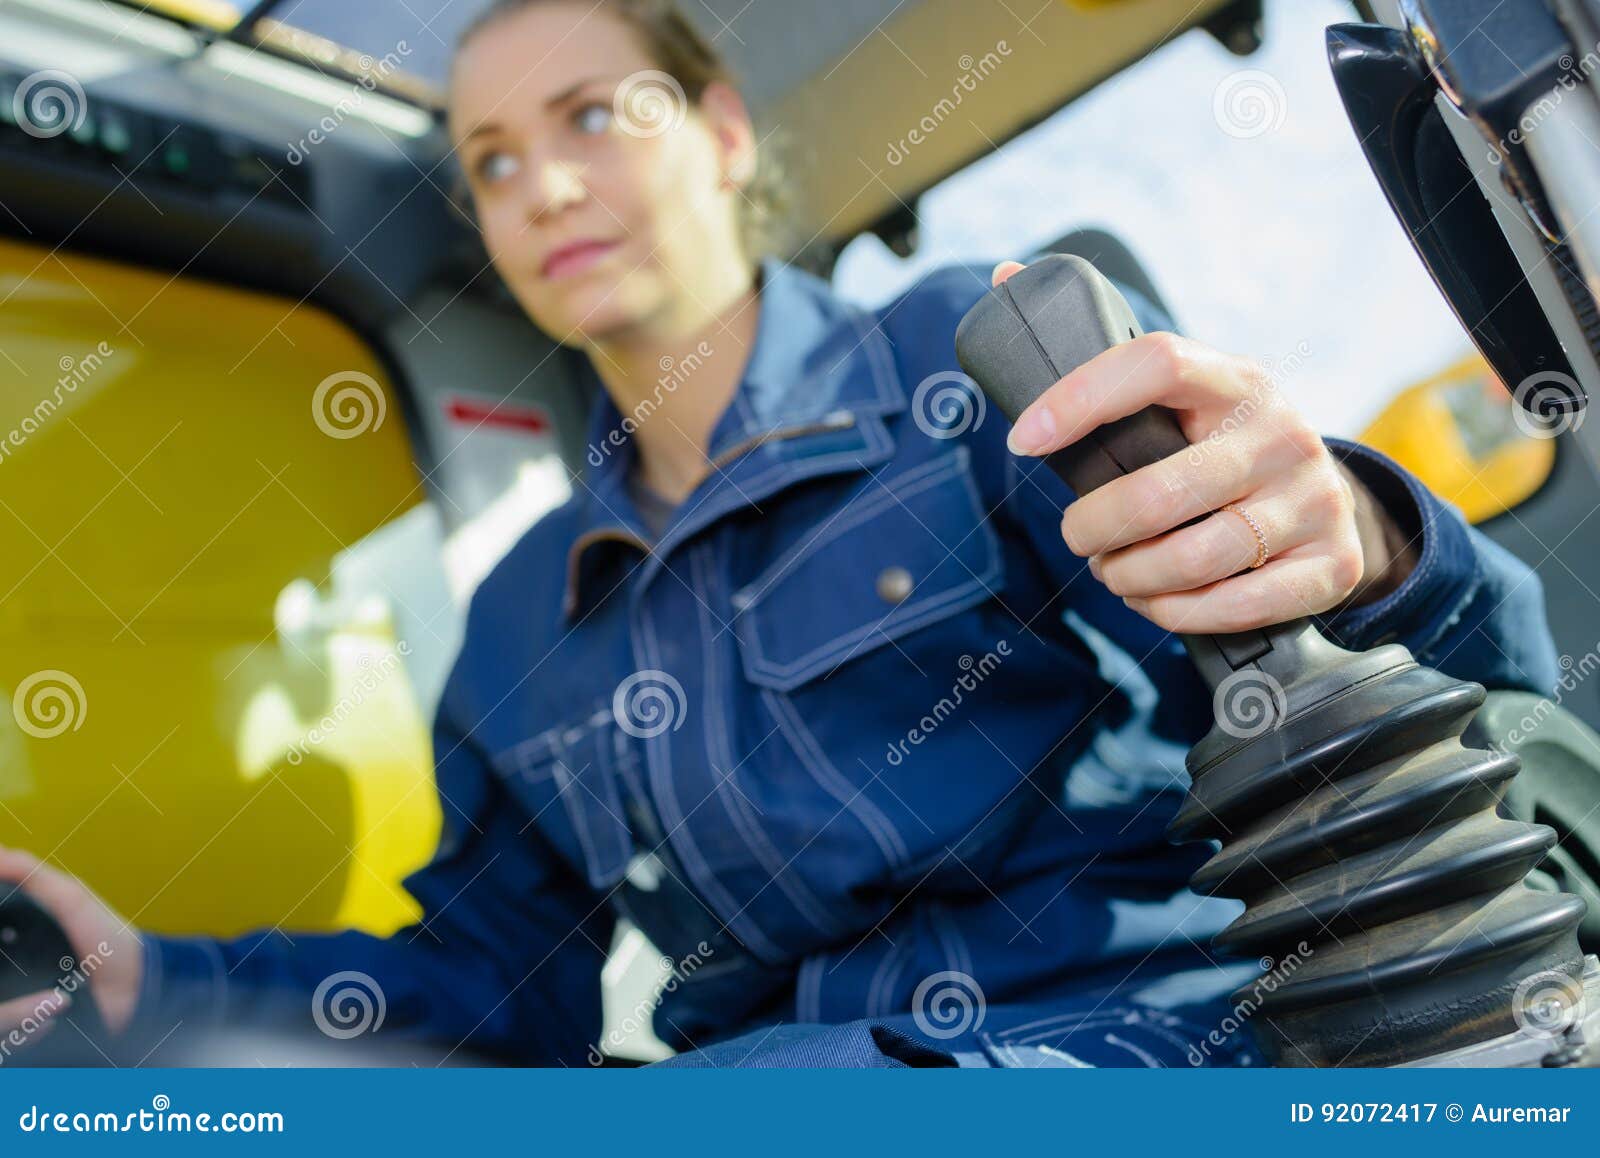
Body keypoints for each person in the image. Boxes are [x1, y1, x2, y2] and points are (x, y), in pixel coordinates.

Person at [0, 0, 1558, 1068]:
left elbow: (1471, 688)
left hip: (1133, 1042)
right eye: (490, 162)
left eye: (594, 116)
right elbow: (492, 991)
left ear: (728, 134)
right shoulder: (518, 628)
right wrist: (154, 976)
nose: (542, 183)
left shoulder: (972, 359)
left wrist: (1350, 528)